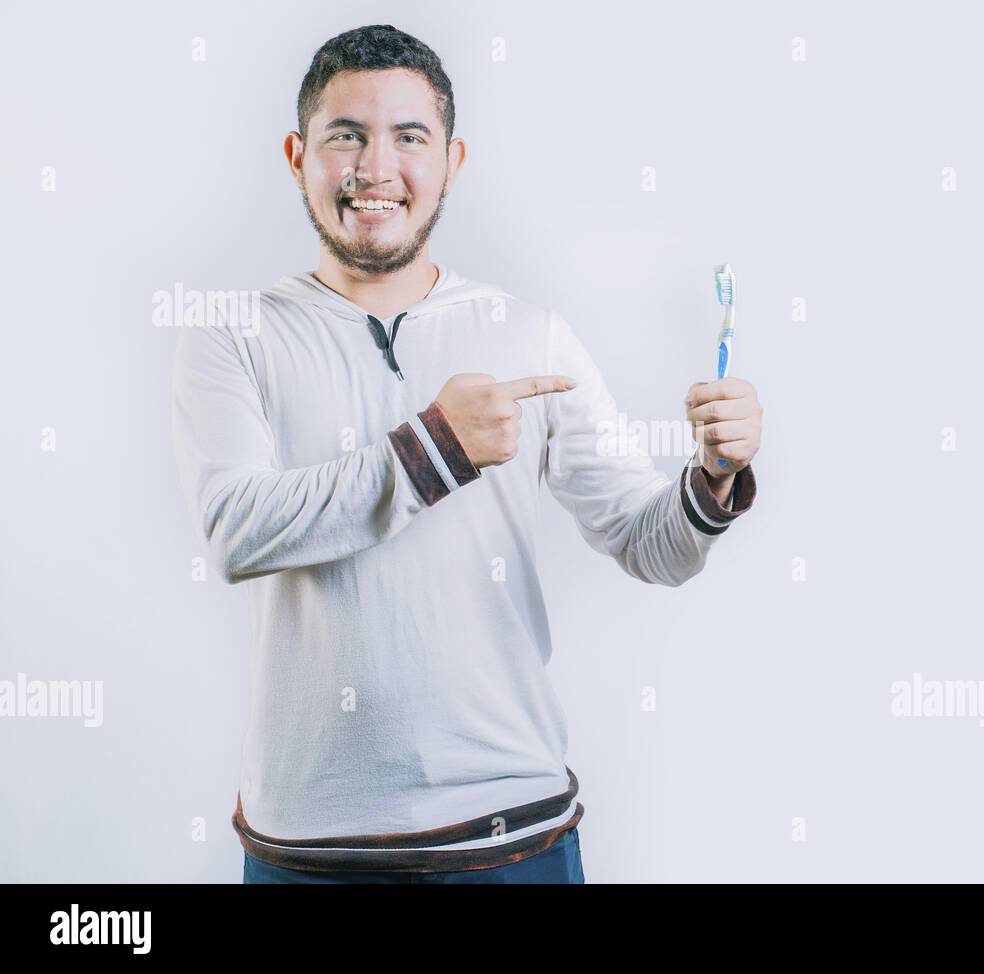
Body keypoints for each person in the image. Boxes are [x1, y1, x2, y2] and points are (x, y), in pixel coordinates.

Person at [170, 23, 762, 885]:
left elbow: (653, 543)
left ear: (451, 163)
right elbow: (237, 532)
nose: (376, 168)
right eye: (347, 136)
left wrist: (712, 479)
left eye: (410, 137)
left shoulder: (532, 335)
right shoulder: (232, 335)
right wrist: (437, 447)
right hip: (306, 850)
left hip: (514, 839)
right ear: (298, 156)